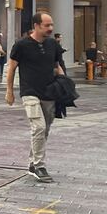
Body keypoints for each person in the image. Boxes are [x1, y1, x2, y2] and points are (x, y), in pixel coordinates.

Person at [5, 10, 65, 183]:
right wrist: (9, 91)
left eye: (51, 25)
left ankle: (33, 163)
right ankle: (39, 165)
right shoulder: (21, 45)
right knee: (38, 127)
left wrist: (63, 83)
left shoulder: (53, 44)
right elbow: (12, 68)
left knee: (44, 129)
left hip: (49, 92)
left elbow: (57, 66)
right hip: (29, 92)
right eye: (47, 25)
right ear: (36, 26)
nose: (51, 28)